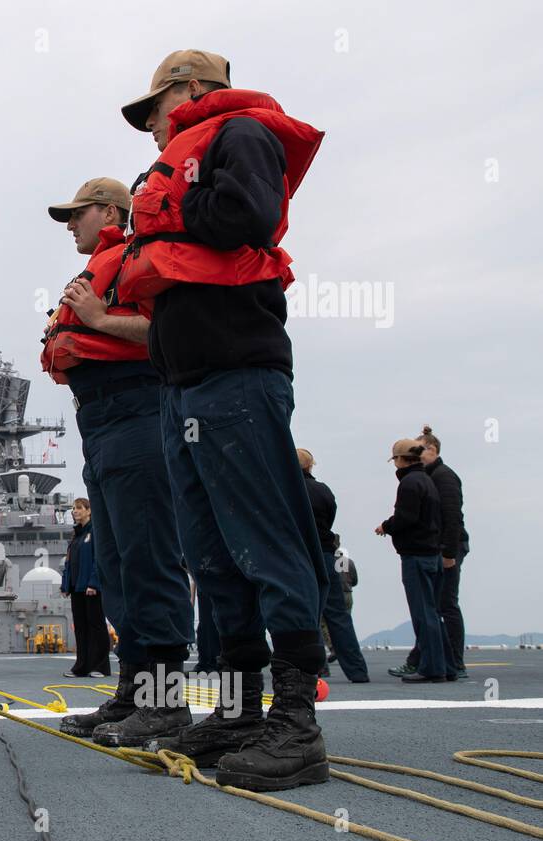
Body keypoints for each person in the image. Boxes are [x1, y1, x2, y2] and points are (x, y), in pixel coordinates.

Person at [116, 50, 330, 790]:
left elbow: (249, 214)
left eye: (155, 109)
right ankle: (239, 711)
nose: (150, 127)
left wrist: (172, 212)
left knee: (265, 542)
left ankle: (297, 724)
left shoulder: (240, 134)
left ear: (194, 89)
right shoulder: (189, 152)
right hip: (184, 388)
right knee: (212, 554)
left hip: (237, 376)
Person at [41, 177, 195, 746]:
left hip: (136, 411)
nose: (69, 225)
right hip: (101, 419)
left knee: (149, 553)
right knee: (118, 561)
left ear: (110, 210)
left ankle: (166, 703)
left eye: (76, 214)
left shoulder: (136, 258)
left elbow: (170, 329)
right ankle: (136, 690)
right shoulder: (103, 265)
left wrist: (101, 322)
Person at [390, 426, 470, 679]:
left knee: (442, 606)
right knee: (436, 607)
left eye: (420, 448)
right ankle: (439, 662)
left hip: (442, 548)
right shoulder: (430, 477)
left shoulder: (442, 477)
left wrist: (448, 552)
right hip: (438, 547)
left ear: (432, 450)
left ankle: (451, 662)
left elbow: (452, 518)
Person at [376, 439, 455, 682]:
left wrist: (386, 527)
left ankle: (432, 669)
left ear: (400, 459)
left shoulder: (409, 483)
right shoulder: (427, 481)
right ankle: (447, 667)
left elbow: (406, 518)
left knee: (423, 614)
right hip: (432, 553)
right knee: (433, 612)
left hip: (416, 555)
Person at [299, 449, 369, 682]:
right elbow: (331, 516)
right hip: (327, 554)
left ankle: (315, 668)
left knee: (307, 613)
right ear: (311, 466)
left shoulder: (286, 490)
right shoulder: (323, 490)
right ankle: (357, 670)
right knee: (338, 615)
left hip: (300, 555)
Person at [60, 498, 112, 678]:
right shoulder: (76, 536)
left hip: (91, 588)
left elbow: (100, 560)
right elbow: (68, 562)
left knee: (96, 626)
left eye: (79, 508)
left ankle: (101, 666)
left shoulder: (95, 532)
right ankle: (81, 666)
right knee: (81, 627)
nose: (75, 511)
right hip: (77, 588)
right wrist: (66, 585)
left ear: (89, 511)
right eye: (74, 508)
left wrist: (93, 583)